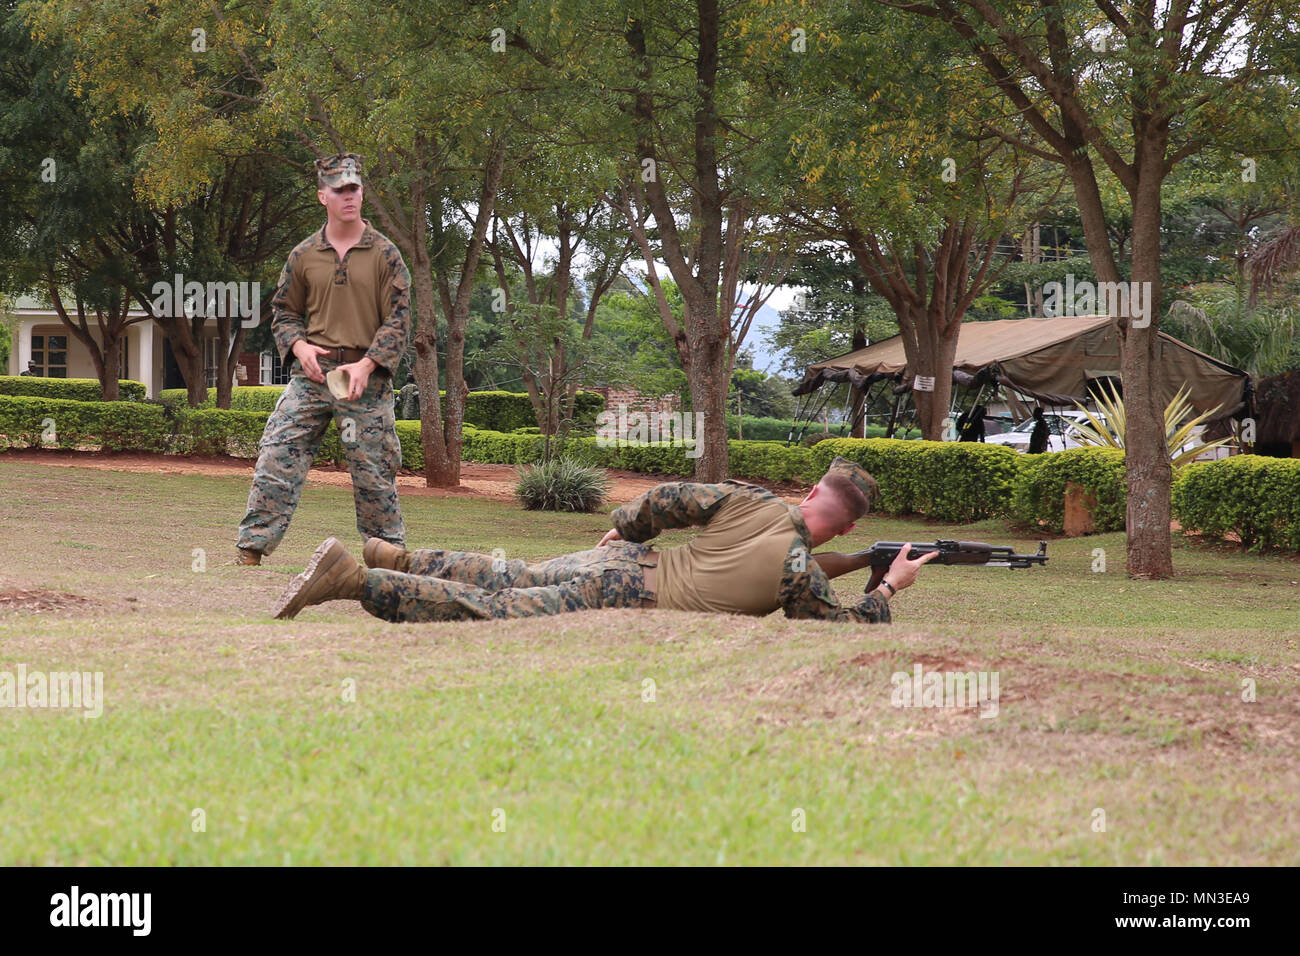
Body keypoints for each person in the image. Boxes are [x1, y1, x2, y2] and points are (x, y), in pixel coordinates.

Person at [270, 456, 938, 623]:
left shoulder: (755, 500)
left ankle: (393, 555)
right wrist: (887, 588)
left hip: (628, 557)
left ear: (814, 490)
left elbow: (668, 499)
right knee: (492, 611)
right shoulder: (803, 575)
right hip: (628, 595)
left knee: (512, 576)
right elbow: (834, 622)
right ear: (849, 526)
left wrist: (622, 528)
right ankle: (355, 579)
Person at [234, 153, 411, 565]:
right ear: (323, 196)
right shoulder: (303, 256)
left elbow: (399, 321)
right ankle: (251, 549)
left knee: (374, 474)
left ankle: (388, 558)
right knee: (277, 454)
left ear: (362, 192)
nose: (349, 196)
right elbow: (284, 312)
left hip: (365, 381)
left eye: (354, 188)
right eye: (340, 190)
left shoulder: (387, 256)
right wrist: (299, 347)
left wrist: (367, 365)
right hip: (311, 377)